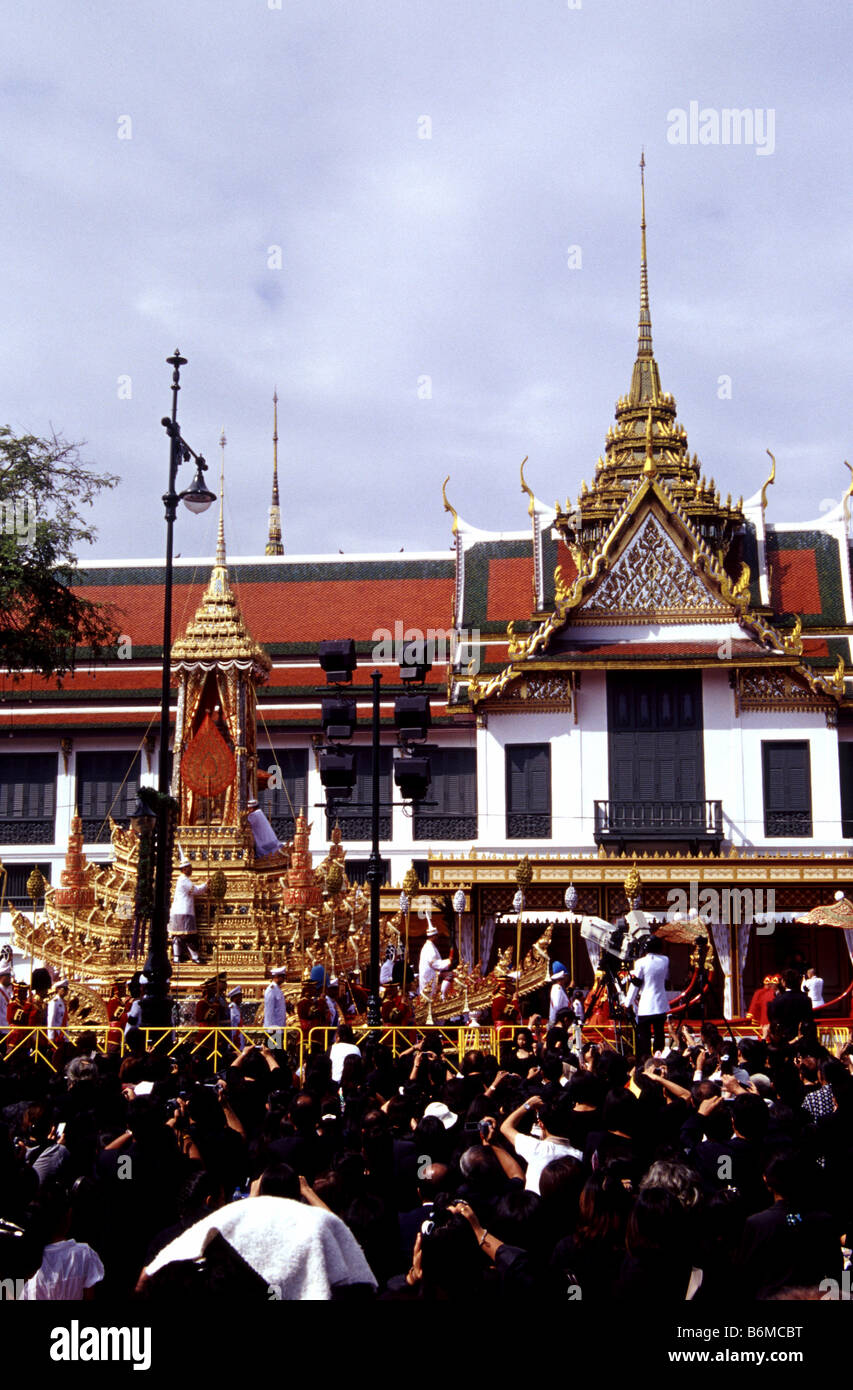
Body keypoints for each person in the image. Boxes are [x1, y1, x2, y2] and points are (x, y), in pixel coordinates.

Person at [628, 937, 670, 1056]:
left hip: (646, 1006)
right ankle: (659, 1059)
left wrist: (627, 1003)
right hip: (660, 1005)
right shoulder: (665, 960)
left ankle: (645, 1061)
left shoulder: (640, 962)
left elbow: (636, 984)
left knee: (644, 1039)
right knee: (659, 1036)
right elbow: (666, 977)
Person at [168, 859, 208, 964]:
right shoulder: (183, 880)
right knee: (188, 935)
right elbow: (195, 890)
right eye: (190, 868)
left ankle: (177, 957)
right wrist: (206, 885)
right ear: (184, 869)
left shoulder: (182, 880)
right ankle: (195, 957)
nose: (191, 870)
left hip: (178, 911)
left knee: (178, 935)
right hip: (183, 912)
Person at [418, 923, 453, 999]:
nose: (437, 938)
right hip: (429, 978)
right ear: (433, 936)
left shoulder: (431, 946)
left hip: (431, 975)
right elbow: (435, 964)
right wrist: (448, 961)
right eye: (436, 936)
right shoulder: (429, 948)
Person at [263, 966, 288, 1048]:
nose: (284, 979)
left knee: (277, 1051)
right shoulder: (271, 990)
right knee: (273, 1051)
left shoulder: (277, 989)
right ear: (276, 977)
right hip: (274, 1028)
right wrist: (271, 1028)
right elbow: (269, 1011)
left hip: (279, 1027)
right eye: (282, 977)